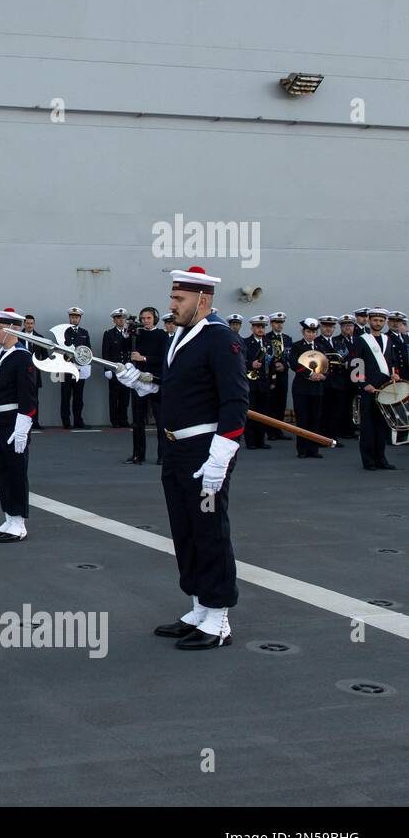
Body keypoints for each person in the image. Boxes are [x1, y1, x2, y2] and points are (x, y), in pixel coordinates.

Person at [117, 266, 247, 650]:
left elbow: (236, 402)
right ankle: (198, 605)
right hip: (175, 449)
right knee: (185, 529)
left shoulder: (221, 339)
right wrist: (143, 381)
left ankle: (219, 617)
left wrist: (220, 457)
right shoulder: (182, 337)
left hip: (204, 451)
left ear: (202, 301)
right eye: (173, 297)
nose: (171, 305)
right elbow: (176, 389)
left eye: (179, 299)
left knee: (210, 530)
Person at [0, 309, 36, 543]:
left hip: (14, 422)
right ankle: (8, 518)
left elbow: (29, 396)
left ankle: (19, 524)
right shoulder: (0, 354)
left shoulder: (23, 357)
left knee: (16, 473)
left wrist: (23, 428)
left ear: (13, 330)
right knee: (2, 472)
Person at [356, 308, 402, 471]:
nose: (378, 323)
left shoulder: (387, 340)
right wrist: (363, 384)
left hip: (385, 389)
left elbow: (393, 362)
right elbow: (356, 365)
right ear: (369, 320)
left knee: (382, 426)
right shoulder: (361, 340)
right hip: (369, 389)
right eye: (375, 320)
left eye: (381, 321)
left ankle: (381, 459)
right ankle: (369, 461)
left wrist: (395, 375)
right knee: (368, 427)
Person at [126, 306, 167, 465]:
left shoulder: (162, 336)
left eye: (148, 318)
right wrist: (128, 332)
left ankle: (162, 456)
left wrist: (143, 359)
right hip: (138, 381)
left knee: (160, 420)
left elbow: (163, 358)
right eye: (143, 319)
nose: (145, 321)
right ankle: (138, 454)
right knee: (137, 421)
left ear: (155, 319)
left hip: (155, 381)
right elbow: (124, 347)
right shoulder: (138, 334)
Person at [288, 318, 325, 458]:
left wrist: (323, 375)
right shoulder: (297, 346)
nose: (311, 334)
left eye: (314, 332)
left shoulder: (321, 347)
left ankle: (313, 449)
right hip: (302, 389)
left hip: (317, 388)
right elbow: (294, 363)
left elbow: (326, 364)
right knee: (303, 419)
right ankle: (302, 449)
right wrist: (310, 374)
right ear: (303, 332)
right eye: (309, 331)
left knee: (315, 419)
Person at [241, 315, 272, 450]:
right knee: (251, 413)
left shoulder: (268, 343)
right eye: (257, 327)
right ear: (252, 328)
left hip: (264, 383)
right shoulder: (245, 342)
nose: (260, 329)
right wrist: (250, 364)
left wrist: (272, 380)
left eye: (262, 327)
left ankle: (261, 440)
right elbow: (239, 360)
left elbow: (271, 363)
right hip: (251, 383)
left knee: (263, 412)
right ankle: (251, 441)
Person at [315, 316, 345, 445]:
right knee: (323, 411)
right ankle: (322, 438)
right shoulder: (316, 342)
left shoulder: (339, 342)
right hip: (324, 382)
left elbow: (345, 358)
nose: (328, 329)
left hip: (337, 381)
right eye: (325, 326)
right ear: (321, 327)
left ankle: (333, 437)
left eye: (331, 326)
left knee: (336, 411)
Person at [60, 306, 90, 428]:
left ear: (80, 319)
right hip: (66, 368)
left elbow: (88, 351)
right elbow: (58, 349)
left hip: (80, 368)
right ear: (69, 318)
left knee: (79, 397)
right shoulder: (63, 331)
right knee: (65, 396)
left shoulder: (84, 333)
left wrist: (85, 363)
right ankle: (66, 422)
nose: (74, 319)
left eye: (76, 317)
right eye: (72, 317)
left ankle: (78, 420)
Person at [101, 308, 131, 428]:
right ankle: (114, 420)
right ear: (114, 320)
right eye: (118, 318)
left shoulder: (129, 333)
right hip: (114, 369)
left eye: (123, 318)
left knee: (125, 396)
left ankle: (124, 419)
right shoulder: (109, 334)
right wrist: (107, 369)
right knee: (114, 396)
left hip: (127, 370)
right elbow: (106, 352)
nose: (121, 320)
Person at [265, 312, 292, 439]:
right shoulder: (266, 337)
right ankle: (270, 431)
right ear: (271, 324)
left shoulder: (287, 338)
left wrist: (284, 366)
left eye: (281, 323)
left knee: (281, 402)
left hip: (283, 375)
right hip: (270, 374)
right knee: (271, 403)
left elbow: (290, 357)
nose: (279, 325)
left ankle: (279, 429)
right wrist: (273, 366)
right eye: (276, 322)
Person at [336, 314, 360, 438]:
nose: (348, 328)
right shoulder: (337, 341)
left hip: (356, 376)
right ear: (341, 327)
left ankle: (352, 428)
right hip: (343, 377)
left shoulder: (358, 340)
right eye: (345, 326)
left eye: (350, 325)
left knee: (354, 404)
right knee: (343, 405)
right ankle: (343, 430)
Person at [22, 314, 45, 429]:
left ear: (34, 324)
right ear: (24, 324)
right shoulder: (17, 337)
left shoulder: (40, 338)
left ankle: (34, 422)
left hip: (34, 374)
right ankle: (22, 423)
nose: (29, 325)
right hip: (20, 373)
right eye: (27, 323)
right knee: (21, 398)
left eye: (31, 323)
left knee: (34, 399)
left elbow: (45, 356)